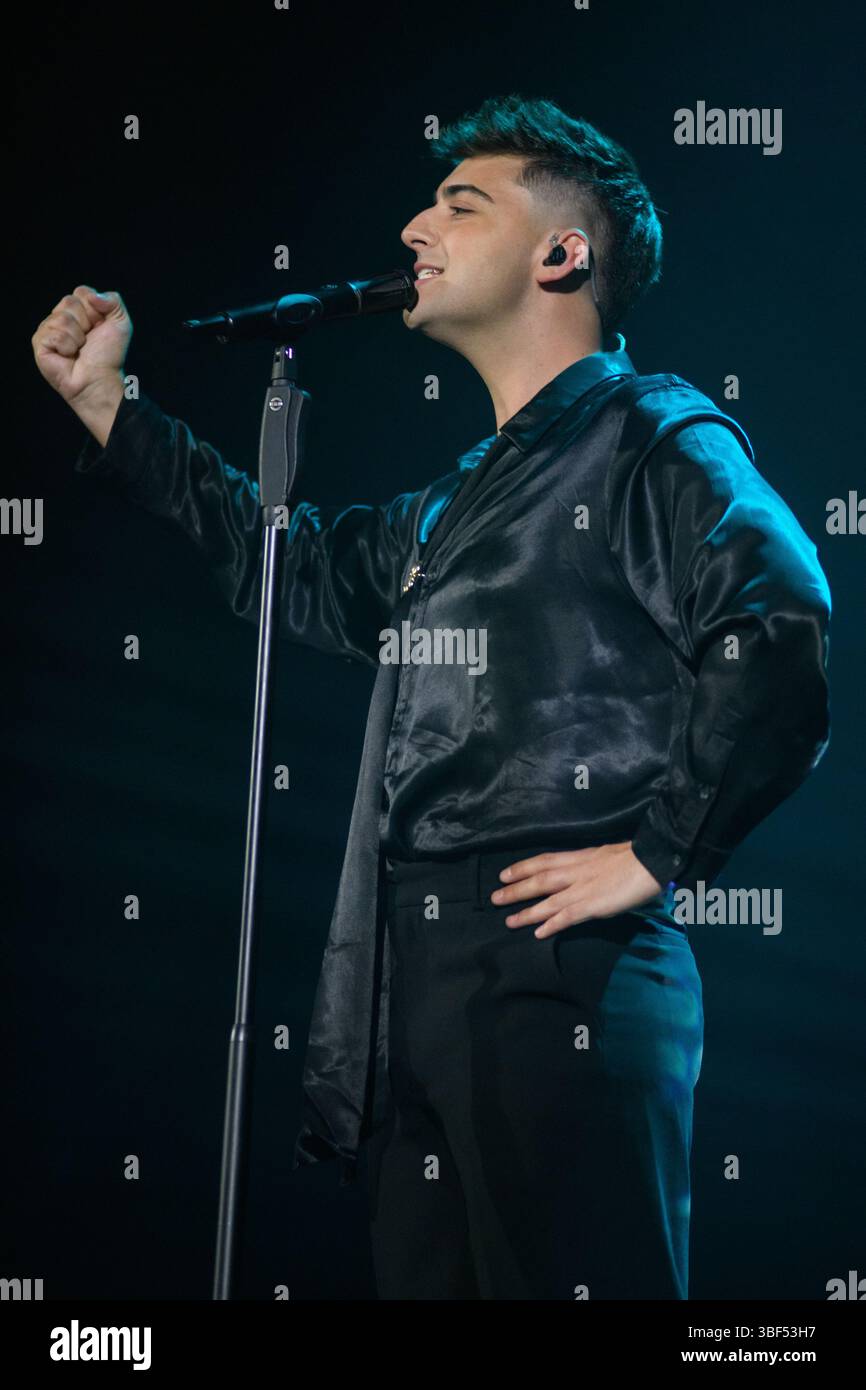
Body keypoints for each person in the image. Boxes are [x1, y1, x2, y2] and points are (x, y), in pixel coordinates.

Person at [31, 93, 831, 1300]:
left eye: (460, 204)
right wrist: (113, 409)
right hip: (411, 980)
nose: (413, 228)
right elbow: (282, 564)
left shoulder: (651, 434)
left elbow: (775, 627)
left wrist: (660, 848)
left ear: (562, 253)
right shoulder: (445, 510)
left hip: (560, 963)